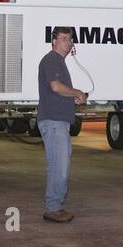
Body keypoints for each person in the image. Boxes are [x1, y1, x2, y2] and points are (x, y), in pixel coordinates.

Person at [36, 27, 86, 223]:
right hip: (54, 122)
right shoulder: (52, 60)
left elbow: (56, 91)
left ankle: (55, 205)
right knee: (59, 167)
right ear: (54, 42)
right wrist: (76, 92)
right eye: (63, 38)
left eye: (70, 38)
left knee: (59, 165)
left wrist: (71, 99)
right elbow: (55, 87)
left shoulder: (59, 62)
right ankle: (54, 208)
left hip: (58, 121)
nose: (68, 42)